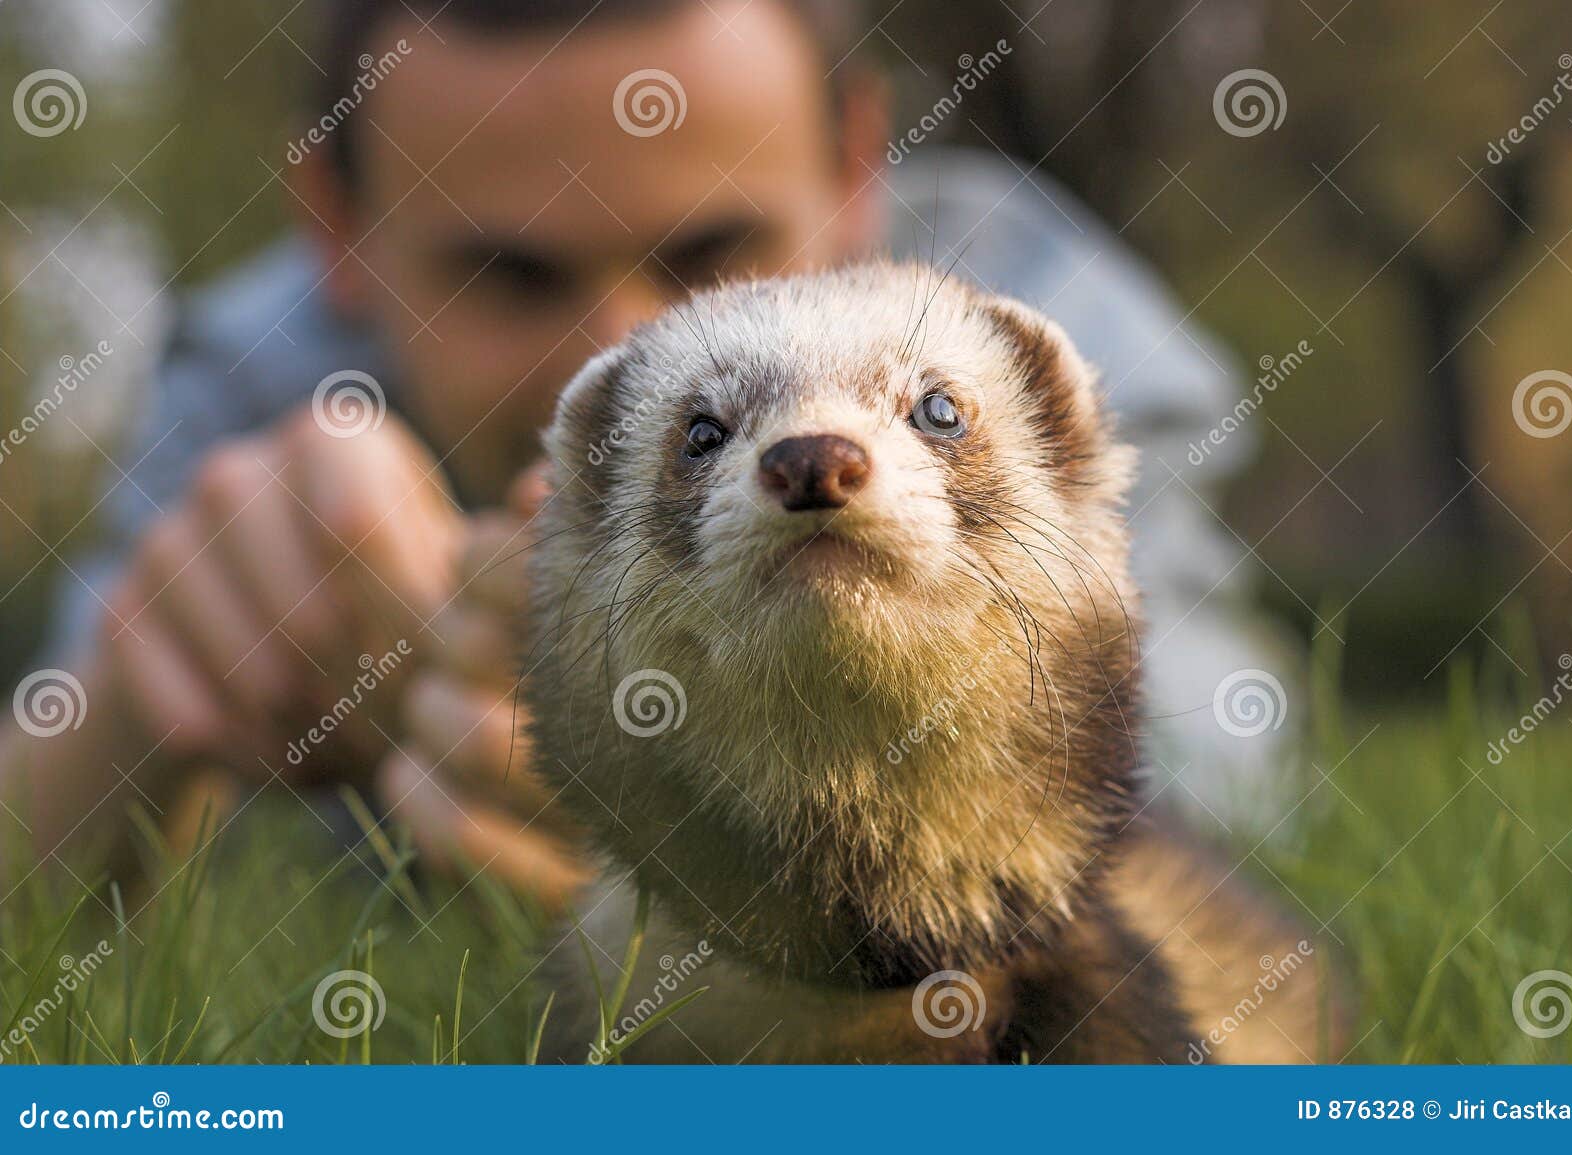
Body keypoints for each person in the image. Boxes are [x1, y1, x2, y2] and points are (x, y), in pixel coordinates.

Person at [0, 0, 1279, 895]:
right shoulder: (253, 379)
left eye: (709, 255)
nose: (616, 358)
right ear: (335, 230)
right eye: (509, 277)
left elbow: (1227, 788)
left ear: (855, 173)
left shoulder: (1008, 321)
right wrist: (138, 702)